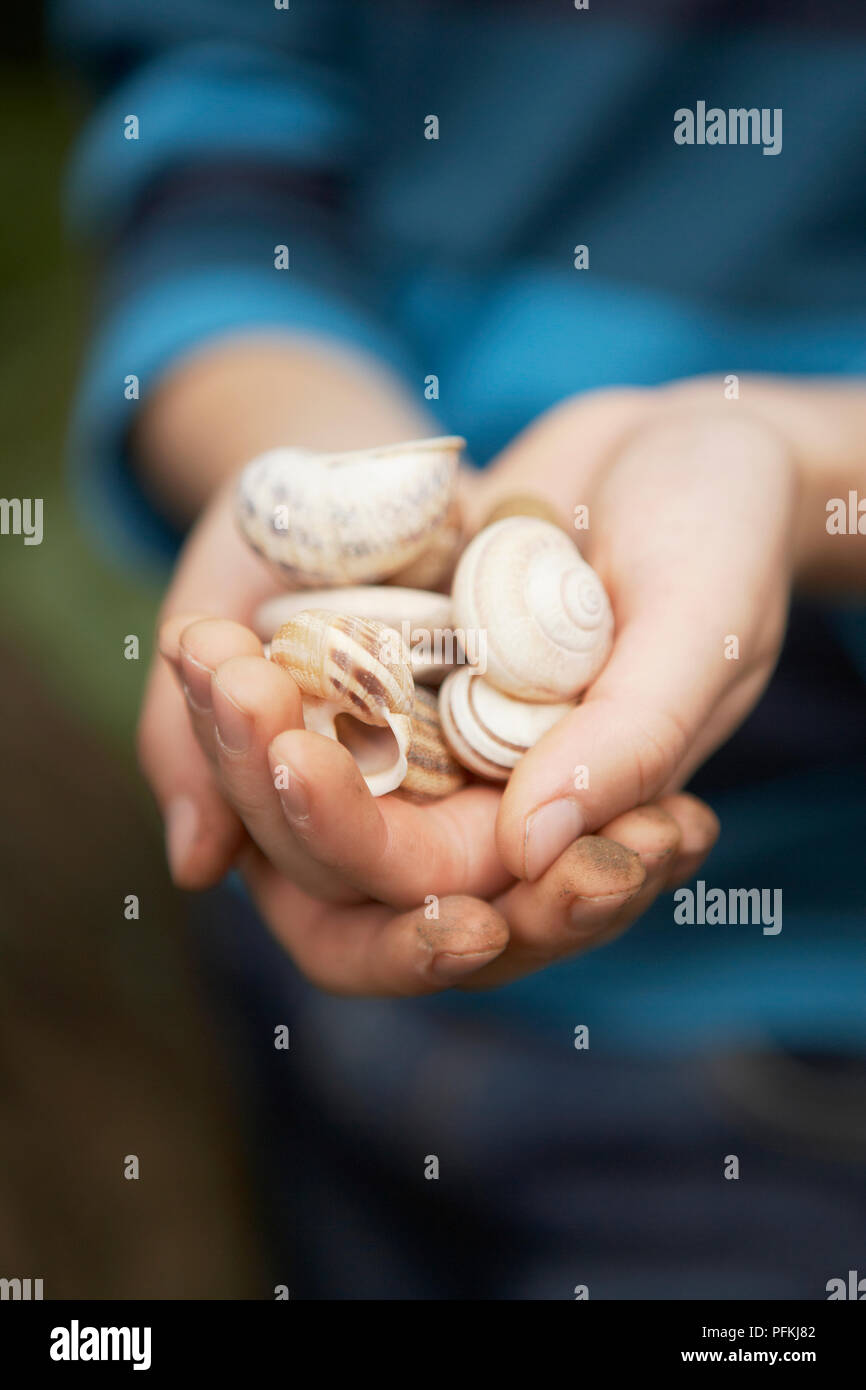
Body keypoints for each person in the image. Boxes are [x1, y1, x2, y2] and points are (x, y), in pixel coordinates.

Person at [55, 1, 866, 1297]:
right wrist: (275, 416)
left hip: (806, 1062)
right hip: (308, 995)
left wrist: (804, 467)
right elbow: (216, 111)